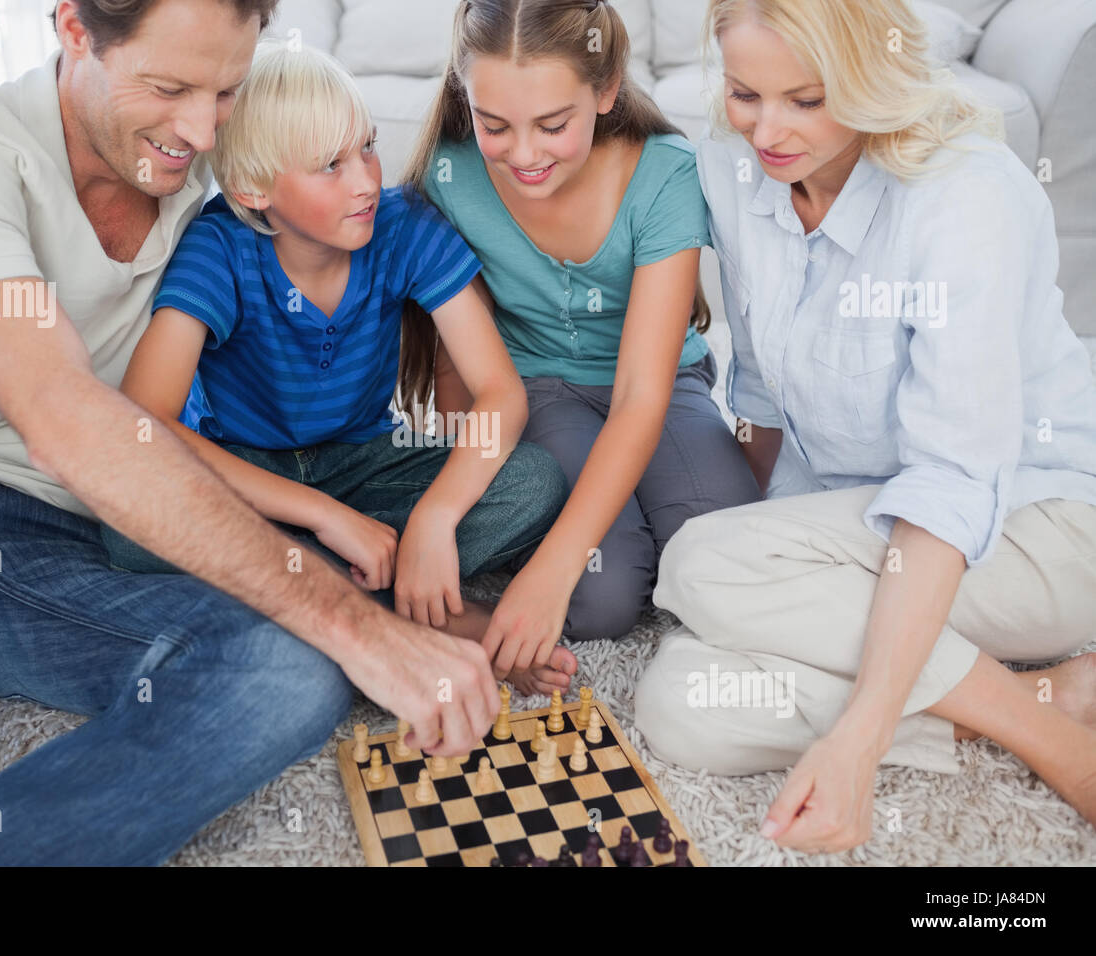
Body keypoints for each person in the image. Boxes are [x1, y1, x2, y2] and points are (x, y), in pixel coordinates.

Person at [0, 0, 498, 867]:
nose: (201, 131)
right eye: (168, 87)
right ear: (74, 30)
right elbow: (59, 414)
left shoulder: (211, 199)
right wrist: (363, 628)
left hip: (78, 544)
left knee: (289, 672)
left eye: (227, 91)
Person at [636, 0, 1096, 853]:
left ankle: (1051, 740)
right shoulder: (738, 171)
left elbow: (951, 486)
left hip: (1031, 526)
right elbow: (767, 399)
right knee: (684, 700)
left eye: (807, 100)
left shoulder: (966, 198)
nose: (767, 130)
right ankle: (1041, 697)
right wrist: (759, 538)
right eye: (744, 93)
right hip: (864, 519)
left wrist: (860, 737)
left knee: (703, 562)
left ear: (871, 79)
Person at [103, 41, 566, 649]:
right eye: (331, 166)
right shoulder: (219, 248)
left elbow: (500, 396)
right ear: (251, 189)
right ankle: (396, 610)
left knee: (535, 482)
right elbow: (145, 420)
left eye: (368, 147)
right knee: (126, 527)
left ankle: (305, 592)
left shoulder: (404, 225)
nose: (366, 181)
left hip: (365, 460)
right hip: (246, 469)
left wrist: (434, 520)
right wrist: (327, 517)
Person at [402, 0, 761, 695]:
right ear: (462, 94)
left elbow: (640, 397)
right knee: (601, 599)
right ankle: (618, 546)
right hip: (537, 387)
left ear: (606, 89)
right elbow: (456, 355)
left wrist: (552, 562)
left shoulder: (665, 172)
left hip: (660, 385)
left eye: (553, 125)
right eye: (494, 124)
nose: (525, 154)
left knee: (728, 559)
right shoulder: (449, 176)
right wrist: (471, 488)